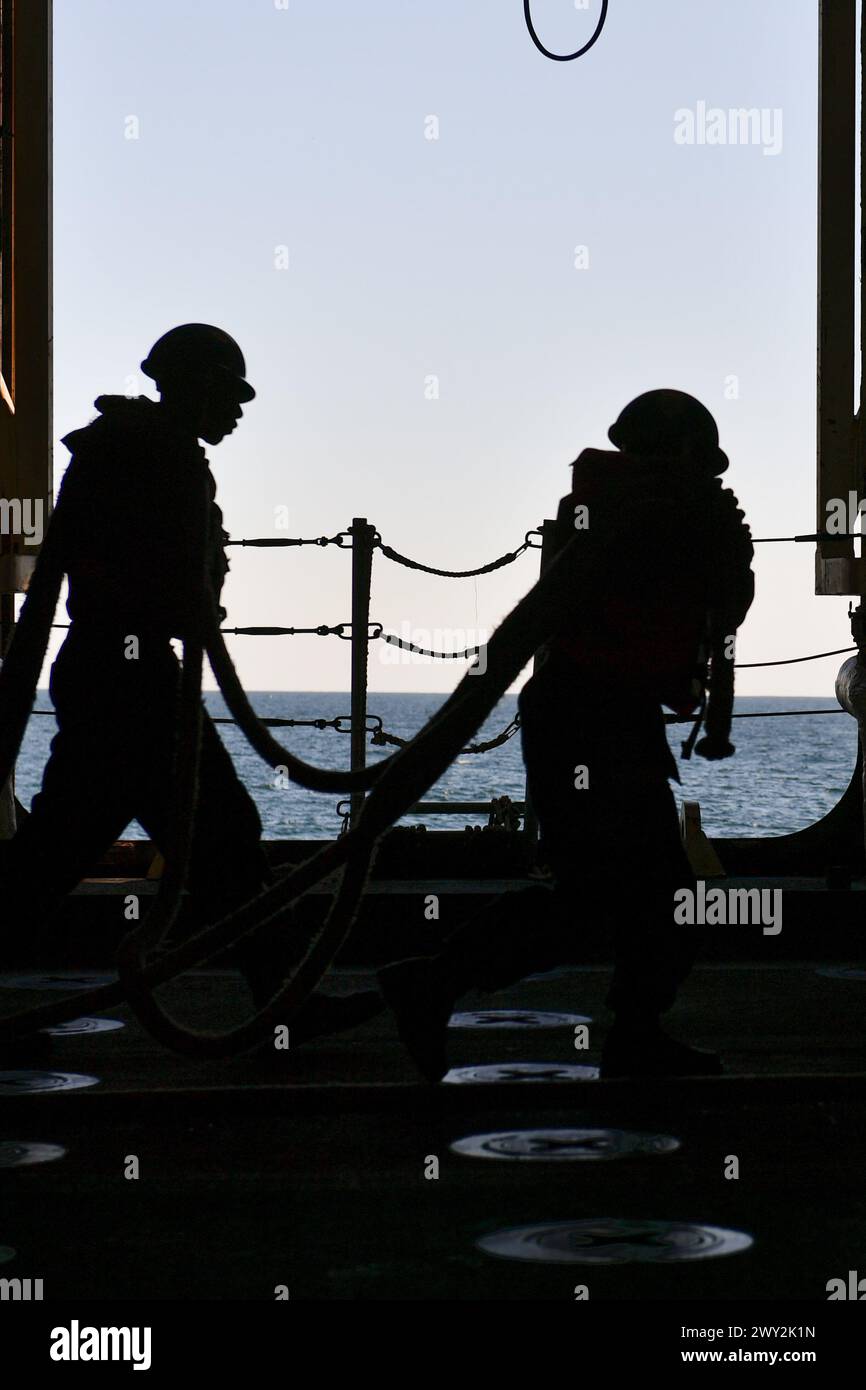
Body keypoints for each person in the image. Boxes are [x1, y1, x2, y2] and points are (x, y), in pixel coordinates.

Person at [0, 324, 378, 1048]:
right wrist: (193, 598)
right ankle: (284, 999)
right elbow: (141, 573)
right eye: (229, 396)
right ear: (195, 386)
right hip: (129, 678)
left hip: (118, 671)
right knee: (211, 837)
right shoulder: (154, 456)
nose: (237, 412)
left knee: (77, 848)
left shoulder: (135, 450)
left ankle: (283, 995)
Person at [379, 390, 755, 1081]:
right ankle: (439, 985)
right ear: (681, 452)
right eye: (702, 461)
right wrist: (727, 546)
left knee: (609, 894)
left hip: (590, 715)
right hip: (597, 721)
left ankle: (445, 985)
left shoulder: (605, 508)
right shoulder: (661, 516)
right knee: (635, 892)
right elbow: (721, 607)